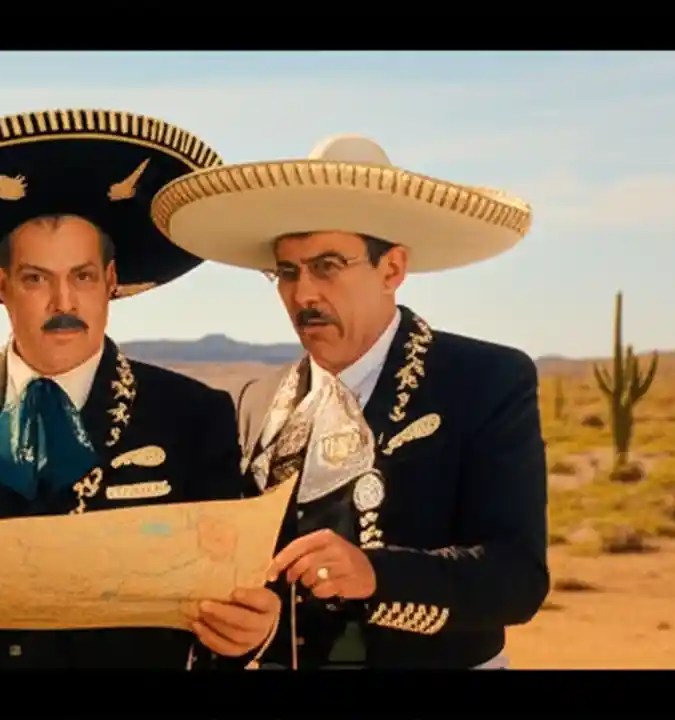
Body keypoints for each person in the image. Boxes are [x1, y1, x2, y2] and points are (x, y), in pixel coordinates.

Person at [0, 108, 283, 670]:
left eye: (81, 277)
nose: (64, 303)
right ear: (2, 286)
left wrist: (251, 629)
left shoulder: (192, 414)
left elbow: (231, 598)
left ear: (109, 283)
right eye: (36, 279)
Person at [149, 133, 550, 669]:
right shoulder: (255, 403)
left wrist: (377, 575)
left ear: (392, 270)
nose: (303, 293)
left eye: (327, 266)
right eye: (287, 272)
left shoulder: (483, 380)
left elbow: (518, 578)